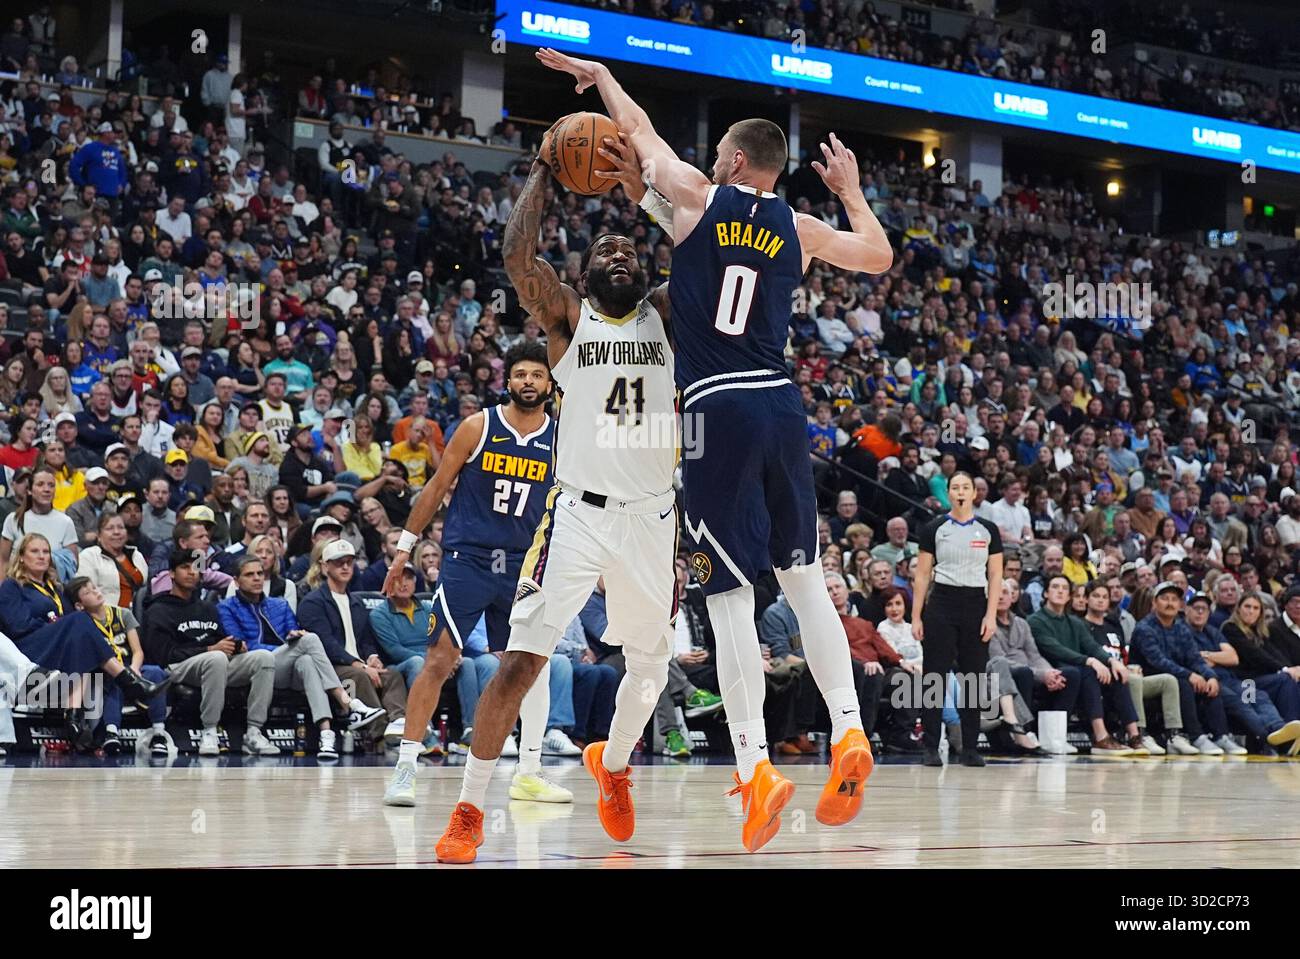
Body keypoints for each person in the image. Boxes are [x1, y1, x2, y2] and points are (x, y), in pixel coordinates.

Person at [541, 49, 892, 850]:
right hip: (782, 406)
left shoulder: (696, 198)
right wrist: (852, 194)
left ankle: (757, 768)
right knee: (806, 581)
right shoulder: (799, 229)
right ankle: (847, 729)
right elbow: (878, 256)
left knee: (729, 598)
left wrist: (600, 82)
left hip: (716, 410)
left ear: (732, 159)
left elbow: (638, 131)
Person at [427, 149, 679, 862]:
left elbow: (698, 244)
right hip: (576, 514)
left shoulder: (664, 312)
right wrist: (544, 167)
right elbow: (516, 255)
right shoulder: (567, 321)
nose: (620, 254)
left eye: (630, 247)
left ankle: (616, 763)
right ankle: (471, 808)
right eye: (606, 248)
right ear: (588, 271)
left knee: (650, 666)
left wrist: (644, 191)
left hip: (653, 517)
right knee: (519, 662)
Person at [380, 342, 566, 808]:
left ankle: (529, 771)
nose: (528, 381)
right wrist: (404, 550)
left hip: (525, 565)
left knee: (528, 668)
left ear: (549, 384)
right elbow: (437, 487)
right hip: (469, 560)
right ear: (507, 381)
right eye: (520, 373)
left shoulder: (563, 439)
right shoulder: (477, 426)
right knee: (440, 660)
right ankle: (406, 766)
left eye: (536, 375)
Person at [0, 532, 168, 744]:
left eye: (46, 552)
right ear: (21, 557)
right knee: (79, 622)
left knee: (82, 640)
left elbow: (71, 625)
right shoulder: (12, 586)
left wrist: (61, 628)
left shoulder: (56, 588)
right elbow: (18, 626)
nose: (42, 556)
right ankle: (128, 681)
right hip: (27, 650)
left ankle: (73, 716)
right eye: (35, 551)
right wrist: (55, 626)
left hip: (56, 647)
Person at [216, 553, 385, 760]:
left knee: (306, 658)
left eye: (260, 573)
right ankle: (349, 704)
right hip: (253, 666)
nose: (257, 578)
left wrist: (294, 636)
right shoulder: (226, 608)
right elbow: (242, 646)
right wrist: (290, 644)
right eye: (249, 575)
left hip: (283, 667)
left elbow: (294, 633)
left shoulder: (279, 605)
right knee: (309, 641)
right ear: (236, 580)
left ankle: (326, 736)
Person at [912, 472, 1004, 766]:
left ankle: (970, 748)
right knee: (933, 677)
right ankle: (929, 746)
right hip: (942, 603)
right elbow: (923, 574)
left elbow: (996, 574)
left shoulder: (988, 529)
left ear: (975, 493)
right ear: (948, 493)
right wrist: (916, 616)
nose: (961, 492)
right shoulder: (934, 528)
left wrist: (991, 615)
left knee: (973, 678)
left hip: (976, 604)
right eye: (955, 487)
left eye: (967, 487)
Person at [296, 539, 408, 745]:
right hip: (332, 667)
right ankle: (380, 733)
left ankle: (400, 724)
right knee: (359, 676)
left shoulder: (357, 601)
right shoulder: (312, 603)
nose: (346, 567)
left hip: (359, 663)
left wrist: (372, 658)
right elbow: (326, 645)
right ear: (324, 566)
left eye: (349, 561)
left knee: (392, 675)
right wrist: (361, 665)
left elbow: (365, 640)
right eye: (339, 562)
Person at [1027, 574, 1143, 754]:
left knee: (1116, 673)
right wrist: (1089, 660)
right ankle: (1100, 737)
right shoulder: (1035, 621)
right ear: (1045, 594)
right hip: (1050, 675)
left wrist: (1112, 662)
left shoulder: (1074, 622)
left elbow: (1092, 646)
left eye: (1064, 589)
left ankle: (1135, 736)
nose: (1060, 591)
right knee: (1086, 671)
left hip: (1077, 674)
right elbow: (1054, 649)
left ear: (1069, 597)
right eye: (1055, 587)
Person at [64, 576, 166, 755]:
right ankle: (112, 732)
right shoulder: (83, 624)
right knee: (115, 679)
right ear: (79, 605)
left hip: (130, 667)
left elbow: (138, 651)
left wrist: (134, 670)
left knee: (156, 673)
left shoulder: (122, 614)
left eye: (94, 587)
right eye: (87, 592)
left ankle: (159, 733)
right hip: (105, 673)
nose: (95, 592)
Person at [1128, 581, 1234, 756]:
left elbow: (1194, 658)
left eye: (1174, 599)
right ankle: (1196, 736)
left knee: (1211, 684)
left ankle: (1220, 736)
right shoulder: (1144, 628)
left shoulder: (1181, 628)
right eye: (1164, 599)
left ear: (1180, 605)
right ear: (1154, 603)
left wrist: (1210, 676)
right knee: (1183, 682)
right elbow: (1158, 661)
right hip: (1149, 679)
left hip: (1175, 677)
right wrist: (1190, 674)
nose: (1170, 603)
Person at [75, 511, 148, 609]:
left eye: (121, 527)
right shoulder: (89, 556)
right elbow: (86, 594)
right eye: (110, 528)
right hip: (106, 616)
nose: (117, 532)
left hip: (138, 615)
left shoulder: (136, 555)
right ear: (99, 535)